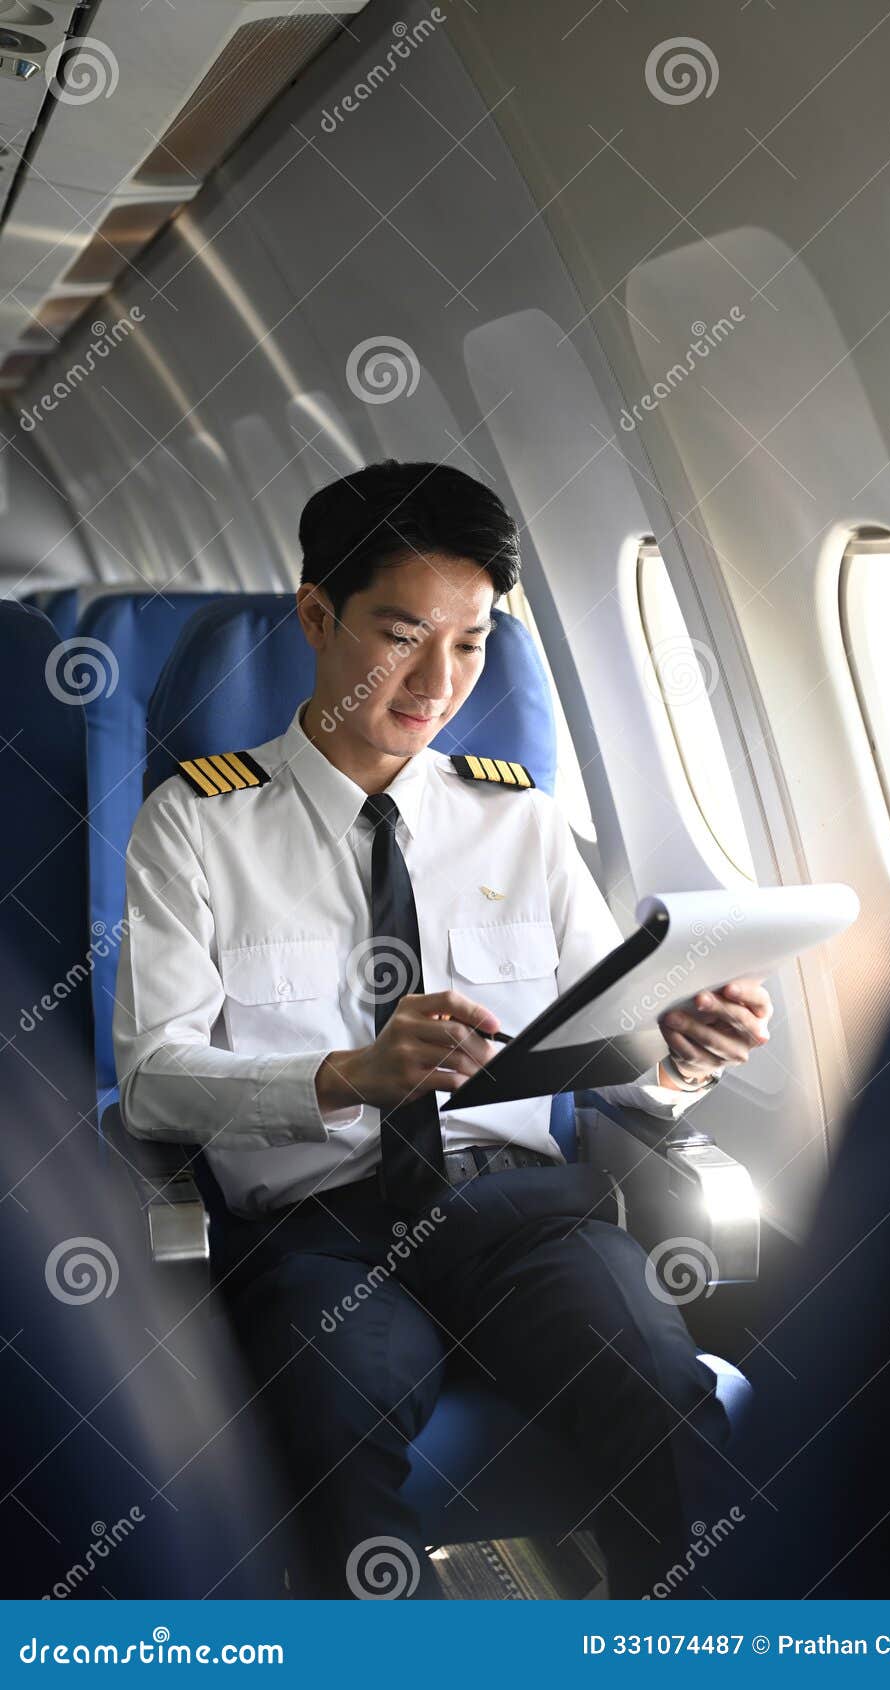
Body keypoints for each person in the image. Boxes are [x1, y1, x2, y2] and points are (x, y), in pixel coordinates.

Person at [113, 459, 772, 1599]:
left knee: (664, 1398)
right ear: (318, 615)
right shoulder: (197, 824)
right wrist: (346, 1073)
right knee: (328, 1428)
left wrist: (678, 1060)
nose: (438, 680)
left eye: (470, 644)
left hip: (525, 1219)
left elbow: (608, 1051)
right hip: (324, 1228)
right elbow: (156, 1083)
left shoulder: (519, 819)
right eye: (403, 634)